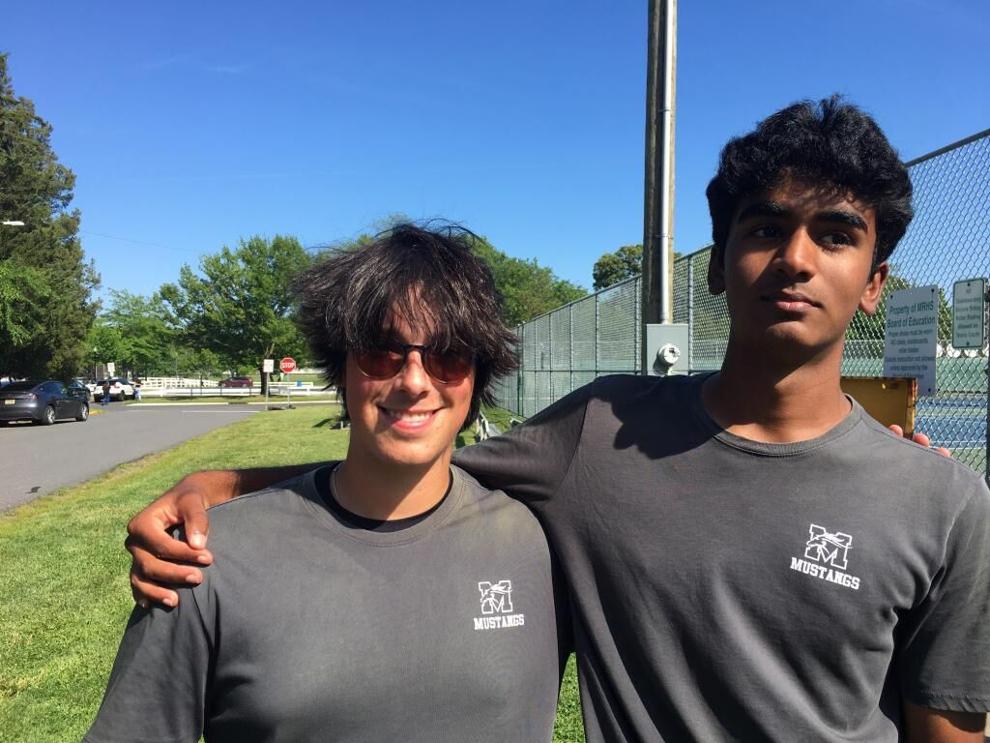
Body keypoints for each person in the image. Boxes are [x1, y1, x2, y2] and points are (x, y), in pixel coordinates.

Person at [126, 98, 990, 741]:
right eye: (766, 228)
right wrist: (220, 484)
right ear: (719, 264)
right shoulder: (598, 431)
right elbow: (412, 468)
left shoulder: (944, 505)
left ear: (876, 280)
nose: (796, 259)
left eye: (837, 235)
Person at [86, 224, 568, 742]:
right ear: (341, 367)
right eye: (382, 352)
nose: (413, 380)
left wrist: (211, 481)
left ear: (477, 378)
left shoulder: (544, 541)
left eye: (447, 355)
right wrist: (212, 488)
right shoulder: (205, 561)